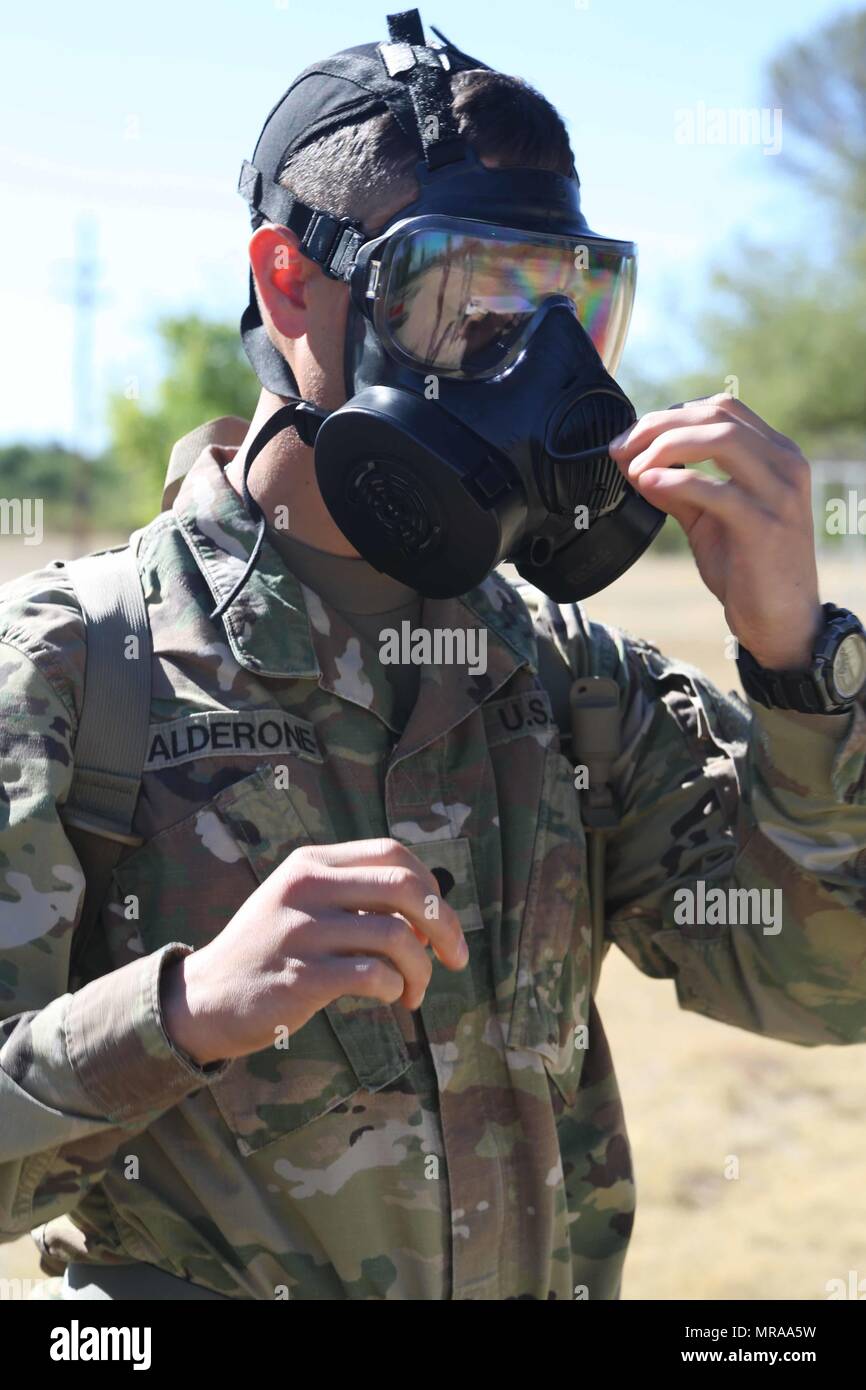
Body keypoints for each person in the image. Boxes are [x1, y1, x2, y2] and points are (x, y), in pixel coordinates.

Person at [1, 10, 865, 1302]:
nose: (532, 362)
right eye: (470, 295)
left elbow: (815, 990)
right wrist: (179, 1014)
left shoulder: (565, 675)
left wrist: (796, 665)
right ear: (292, 282)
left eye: (567, 300)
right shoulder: (79, 668)